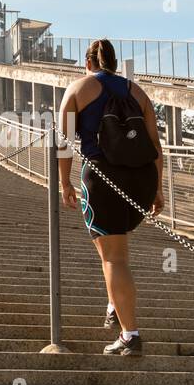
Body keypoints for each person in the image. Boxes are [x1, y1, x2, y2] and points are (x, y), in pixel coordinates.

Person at [57, 39, 164, 356]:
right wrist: (157, 188)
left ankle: (130, 335)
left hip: (104, 178)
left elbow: (63, 142)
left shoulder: (78, 89)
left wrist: (65, 182)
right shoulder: (138, 92)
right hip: (142, 181)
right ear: (115, 63)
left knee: (113, 258)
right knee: (118, 255)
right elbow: (154, 144)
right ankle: (114, 303)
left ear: (88, 63)